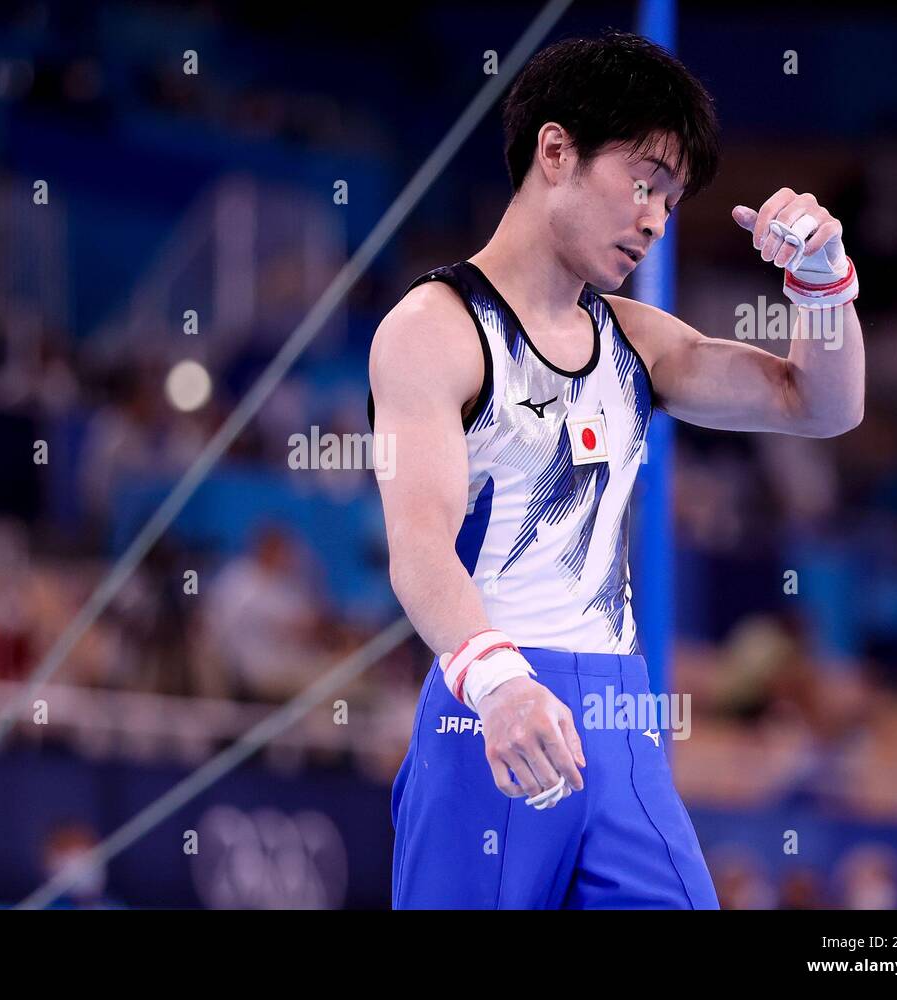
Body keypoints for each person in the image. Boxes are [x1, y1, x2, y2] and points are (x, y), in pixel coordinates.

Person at [367, 31, 863, 909]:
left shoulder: (636, 340)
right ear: (556, 152)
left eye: (672, 201)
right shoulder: (434, 329)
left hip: (624, 729)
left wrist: (823, 287)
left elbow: (818, 406)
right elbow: (418, 546)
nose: (655, 222)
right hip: (490, 714)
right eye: (645, 184)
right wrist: (498, 679)